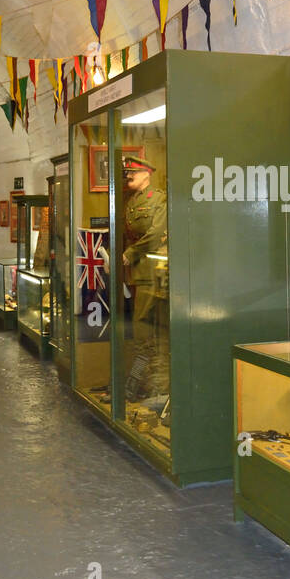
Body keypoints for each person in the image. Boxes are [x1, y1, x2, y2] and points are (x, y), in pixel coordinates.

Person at [121, 155, 169, 402]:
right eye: (128, 173)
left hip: (153, 271)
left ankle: (154, 383)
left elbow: (156, 233)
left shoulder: (158, 199)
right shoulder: (132, 202)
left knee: (146, 328)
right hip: (139, 272)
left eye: (133, 173)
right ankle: (145, 382)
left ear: (147, 174)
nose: (129, 177)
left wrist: (131, 253)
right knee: (142, 329)